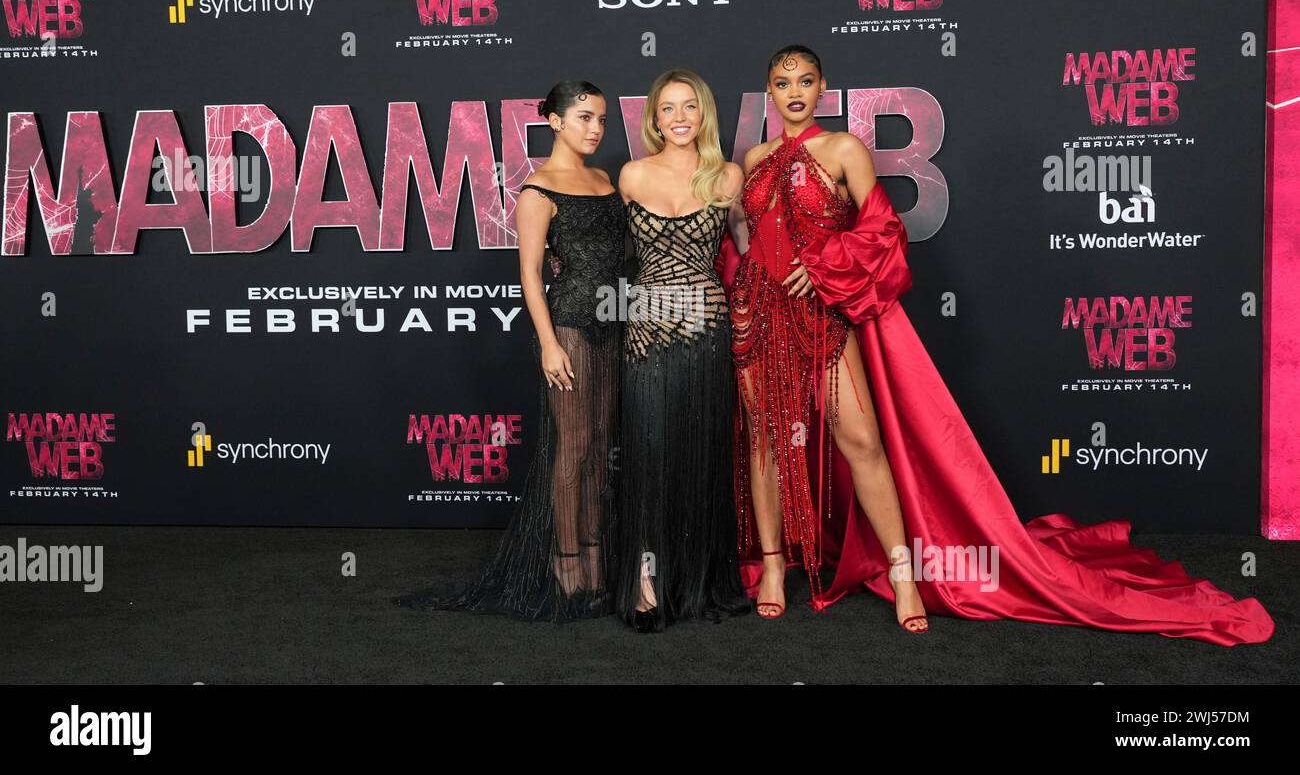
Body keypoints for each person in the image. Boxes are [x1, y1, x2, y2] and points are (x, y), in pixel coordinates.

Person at [718, 44, 1275, 645]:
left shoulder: (845, 148)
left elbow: (883, 232)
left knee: (861, 442)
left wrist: (822, 266)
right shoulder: (754, 158)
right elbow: (746, 232)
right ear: (768, 92)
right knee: (765, 443)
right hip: (760, 313)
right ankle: (772, 566)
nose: (794, 92)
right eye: (782, 83)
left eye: (805, 81)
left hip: (822, 312)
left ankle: (904, 575)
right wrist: (750, 279)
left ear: (822, 87)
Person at [395, 81, 625, 621]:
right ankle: (567, 565)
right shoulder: (537, 190)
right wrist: (548, 344)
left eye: (601, 119)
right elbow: (530, 273)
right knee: (574, 446)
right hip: (569, 327)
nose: (595, 128)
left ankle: (597, 561)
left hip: (615, 323)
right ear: (555, 121)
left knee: (601, 446)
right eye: (584, 117)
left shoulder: (604, 181)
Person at [610, 68, 751, 633]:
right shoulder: (631, 174)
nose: (679, 118)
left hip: (706, 330)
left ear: (704, 113)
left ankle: (698, 579)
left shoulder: (728, 176)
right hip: (646, 332)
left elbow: (750, 253)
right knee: (648, 455)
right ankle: (645, 583)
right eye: (667, 108)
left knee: (700, 455)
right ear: (654, 117)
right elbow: (615, 253)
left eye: (689, 106)